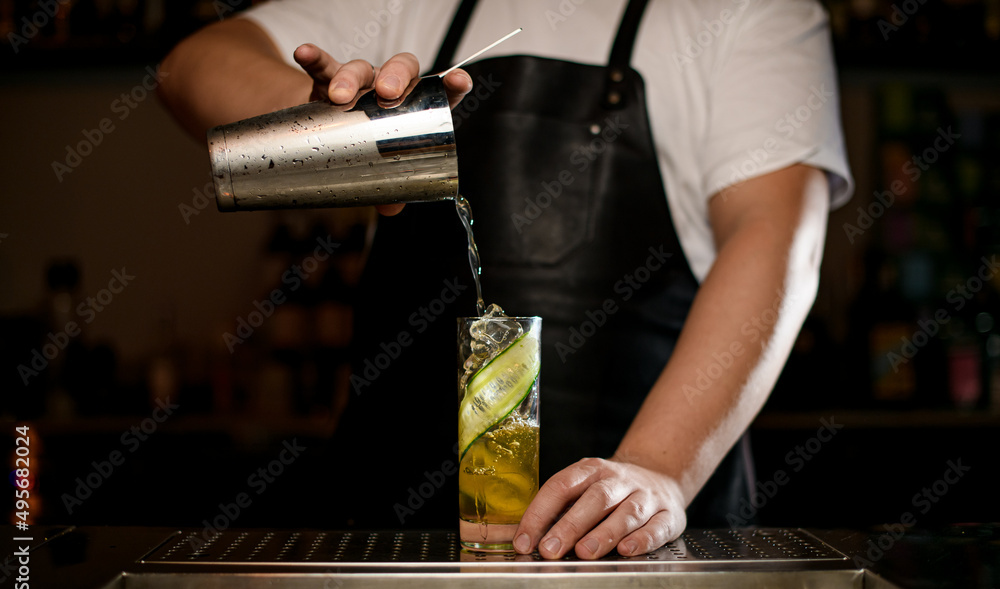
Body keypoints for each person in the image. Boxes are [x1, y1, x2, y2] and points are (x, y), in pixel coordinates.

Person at [158, 0, 853, 560]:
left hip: (639, 556)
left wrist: (656, 469)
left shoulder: (753, 13)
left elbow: (776, 238)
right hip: (392, 549)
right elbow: (188, 67)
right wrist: (335, 119)